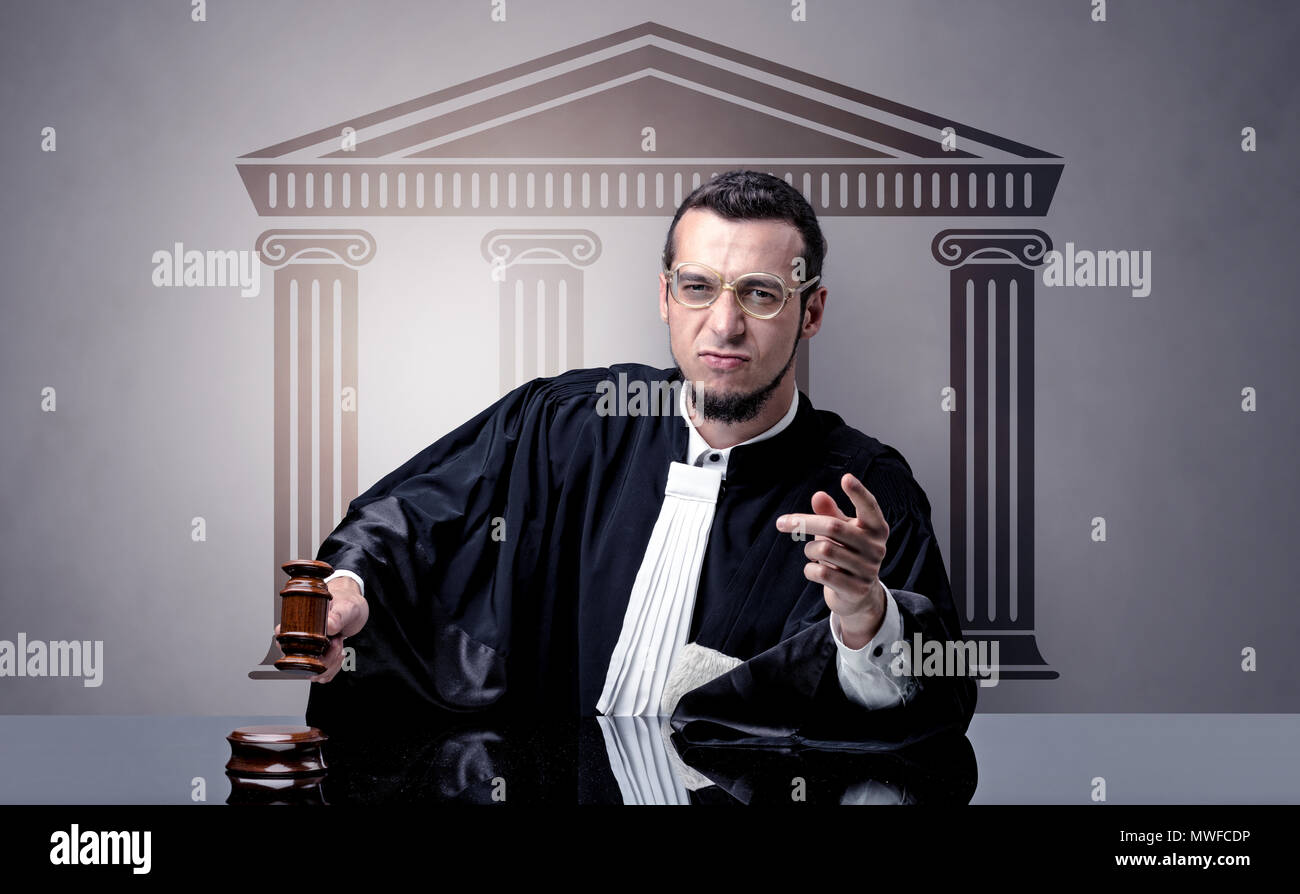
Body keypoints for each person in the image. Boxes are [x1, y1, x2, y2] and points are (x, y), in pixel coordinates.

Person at [300, 171, 976, 746]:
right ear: (664, 296)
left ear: (812, 310)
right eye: (698, 286)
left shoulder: (864, 493)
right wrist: (351, 591)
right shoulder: (570, 422)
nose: (724, 324)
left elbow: (934, 706)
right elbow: (412, 514)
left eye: (761, 293)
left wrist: (866, 616)